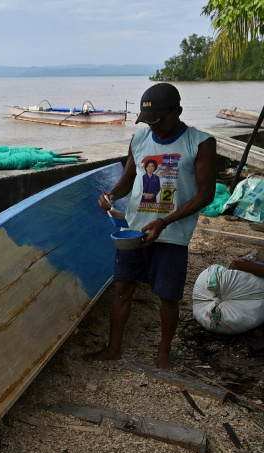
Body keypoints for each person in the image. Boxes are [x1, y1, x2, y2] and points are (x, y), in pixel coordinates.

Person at [87, 82, 217, 369]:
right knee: (123, 288)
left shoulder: (200, 142)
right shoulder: (140, 139)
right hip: (135, 231)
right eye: (148, 121)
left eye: (158, 120)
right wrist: (110, 195)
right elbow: (128, 180)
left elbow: (206, 193)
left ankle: (164, 352)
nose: (153, 127)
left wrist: (164, 221)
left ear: (178, 111)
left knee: (168, 297)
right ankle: (114, 347)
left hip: (172, 235)